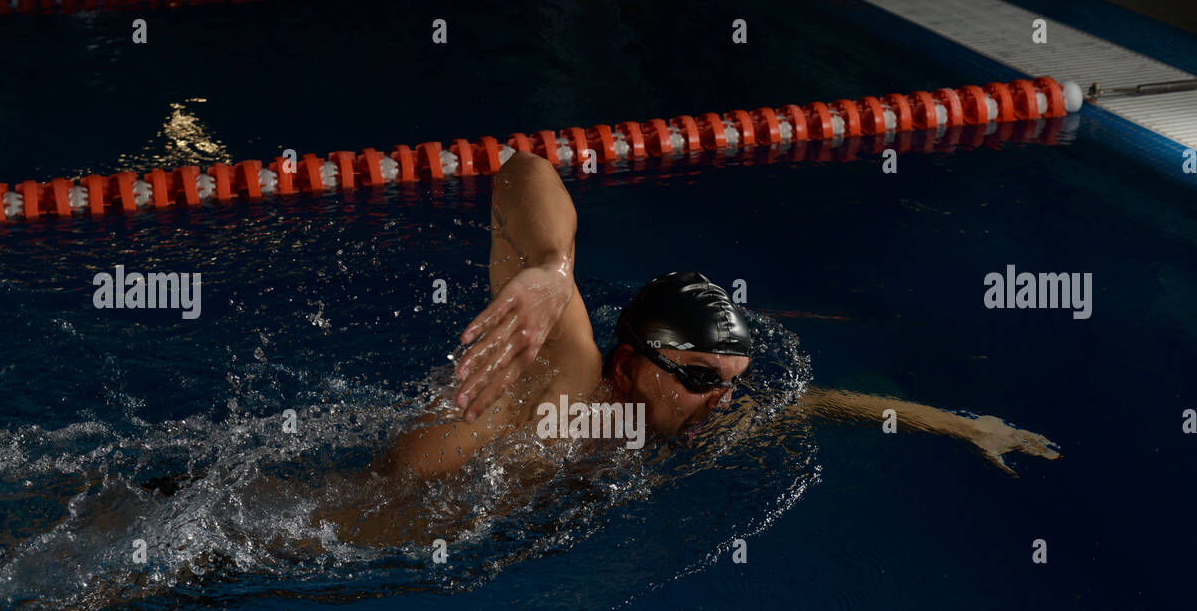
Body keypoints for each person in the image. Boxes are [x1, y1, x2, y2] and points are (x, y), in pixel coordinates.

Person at [376, 150, 1059, 484]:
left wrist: (963, 426)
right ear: (629, 366)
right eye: (702, 378)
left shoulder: (688, 415)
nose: (722, 400)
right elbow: (521, 172)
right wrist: (554, 267)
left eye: (730, 381)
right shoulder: (569, 375)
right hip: (359, 521)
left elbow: (814, 403)